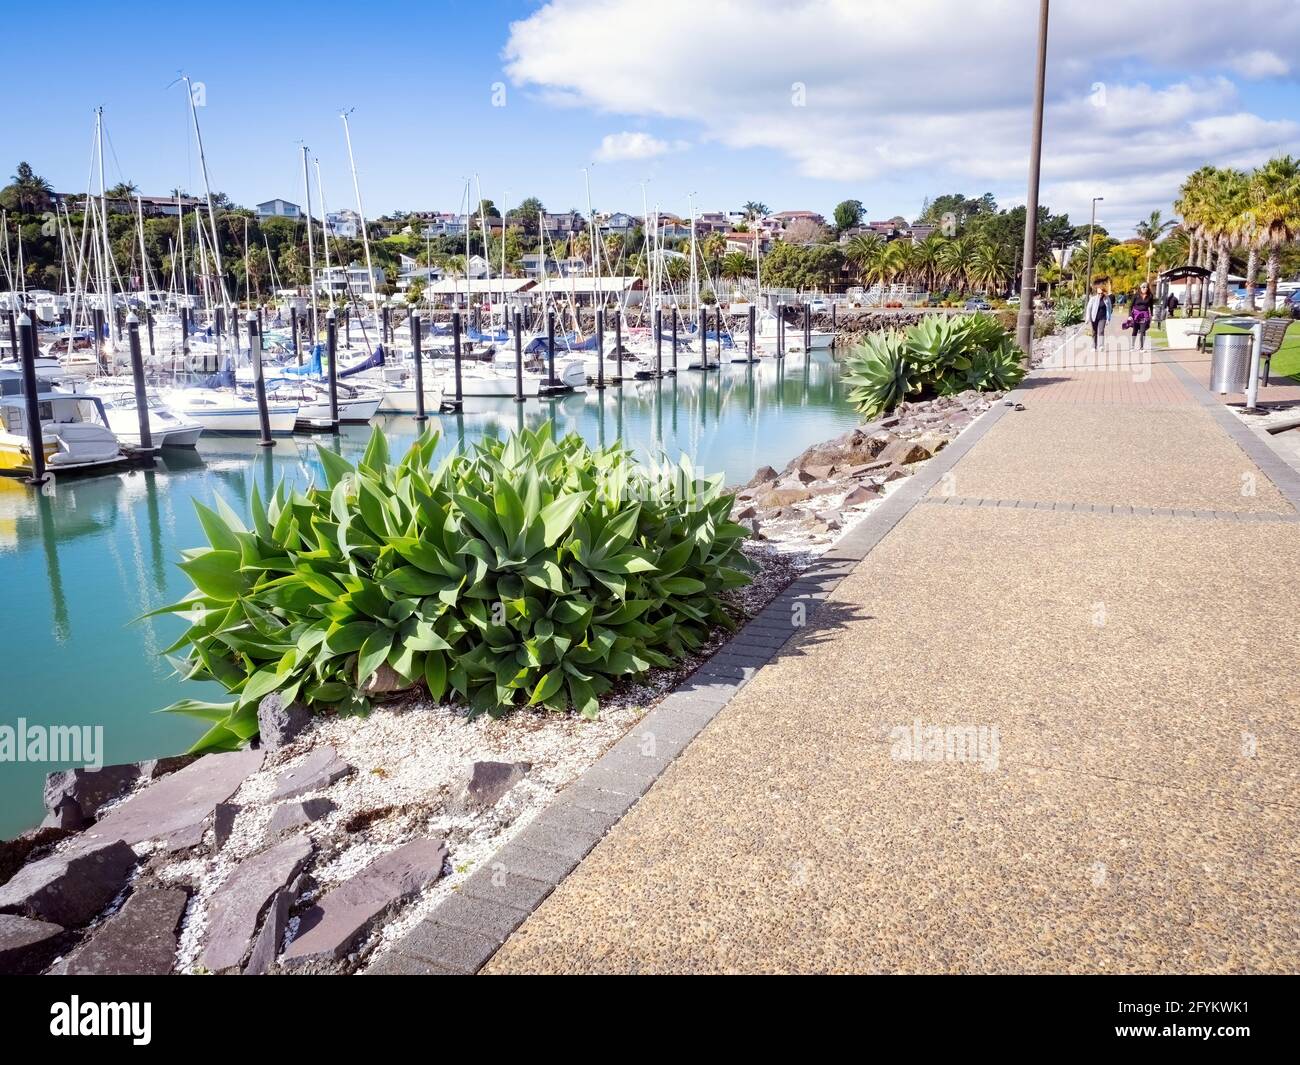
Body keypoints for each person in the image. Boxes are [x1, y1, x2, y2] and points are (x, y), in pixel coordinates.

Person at [1129, 281, 1156, 349]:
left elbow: (1151, 306)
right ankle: (1132, 345)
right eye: (1143, 287)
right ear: (1140, 288)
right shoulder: (1136, 295)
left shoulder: (1150, 296)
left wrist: (1152, 315)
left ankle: (1141, 347)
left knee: (1143, 331)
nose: (1145, 288)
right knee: (1135, 330)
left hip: (1144, 315)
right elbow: (1130, 306)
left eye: (1146, 287)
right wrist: (1130, 315)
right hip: (1136, 315)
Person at [1085, 281, 1111, 350]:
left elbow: (1109, 309)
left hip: (1103, 317)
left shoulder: (1107, 299)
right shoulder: (1093, 299)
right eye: (1098, 293)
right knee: (1094, 332)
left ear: (1103, 292)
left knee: (1101, 331)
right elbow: (1088, 308)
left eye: (1101, 293)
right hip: (1094, 317)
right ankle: (1094, 346)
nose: (1100, 294)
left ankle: (1101, 346)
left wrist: (1108, 319)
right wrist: (1088, 318)